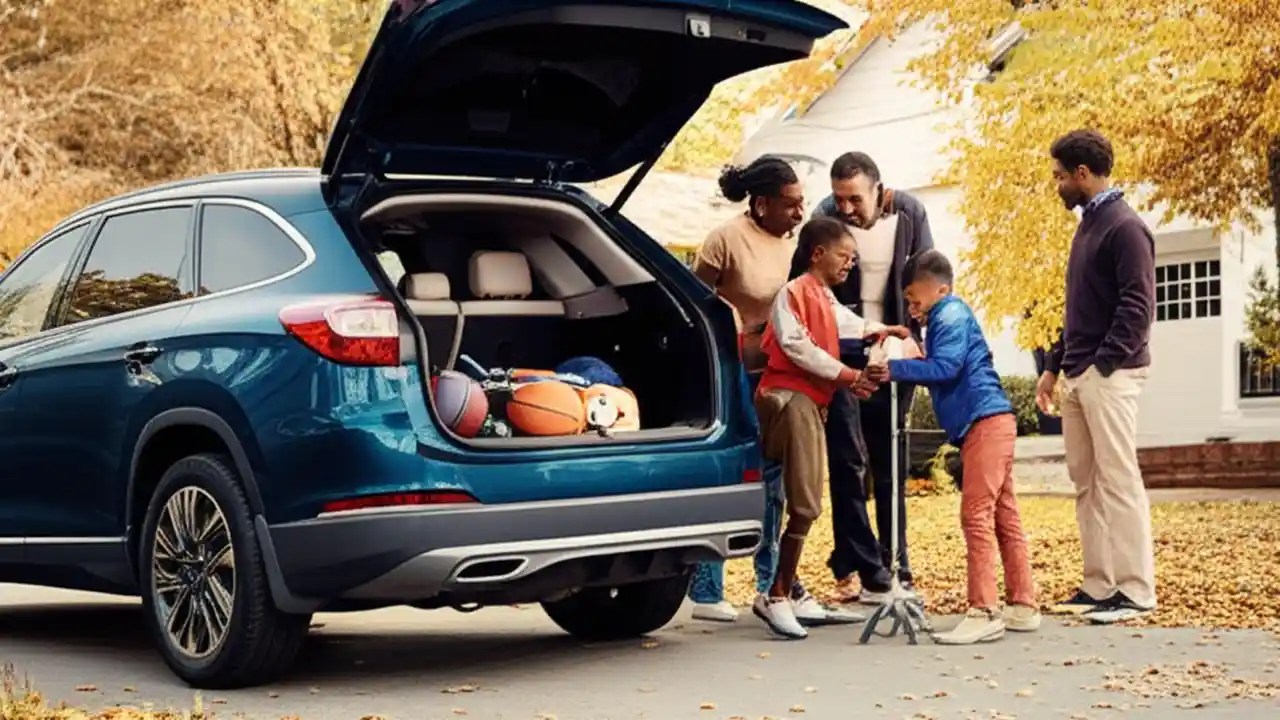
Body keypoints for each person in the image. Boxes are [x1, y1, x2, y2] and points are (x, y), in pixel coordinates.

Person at [687, 156, 835, 625]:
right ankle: (707, 588)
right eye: (790, 205)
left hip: (783, 376)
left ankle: (775, 585)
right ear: (762, 202)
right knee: (734, 473)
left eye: (802, 204)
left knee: (776, 480)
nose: (799, 214)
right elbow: (695, 305)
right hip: (734, 375)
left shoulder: (795, 247)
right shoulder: (725, 239)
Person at [865, 249, 1040, 644]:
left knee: (976, 515)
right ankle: (1022, 604)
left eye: (915, 297)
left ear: (941, 288)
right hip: (992, 420)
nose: (911, 306)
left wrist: (890, 369)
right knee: (1003, 516)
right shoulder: (943, 317)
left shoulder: (951, 314)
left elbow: (946, 368)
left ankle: (984, 610)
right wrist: (911, 345)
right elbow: (941, 362)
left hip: (985, 421)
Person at [797, 151, 934, 603]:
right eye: (840, 199)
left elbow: (927, 275)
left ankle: (898, 564)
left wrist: (922, 337)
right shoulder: (824, 215)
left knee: (889, 461)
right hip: (844, 349)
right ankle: (851, 564)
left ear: (878, 189)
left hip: (893, 347)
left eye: (855, 198)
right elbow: (812, 285)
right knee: (847, 463)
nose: (847, 208)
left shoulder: (910, 213)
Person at [1035, 129, 1157, 624]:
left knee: (1118, 479)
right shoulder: (1089, 226)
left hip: (1111, 375)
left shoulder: (1125, 227)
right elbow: (1077, 311)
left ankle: (1136, 589)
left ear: (1082, 174)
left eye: (1060, 176)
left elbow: (1138, 305)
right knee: (1086, 482)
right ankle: (1099, 584)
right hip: (1079, 374)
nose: (1057, 184)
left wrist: (1102, 365)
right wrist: (1052, 368)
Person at [753, 217, 884, 639]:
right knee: (804, 503)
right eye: (845, 257)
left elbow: (845, 323)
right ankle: (776, 595)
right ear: (818, 254)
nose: (849, 265)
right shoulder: (792, 293)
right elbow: (798, 347)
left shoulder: (820, 296)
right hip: (790, 400)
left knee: (792, 499)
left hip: (809, 402)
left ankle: (788, 588)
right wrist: (849, 375)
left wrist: (879, 330)